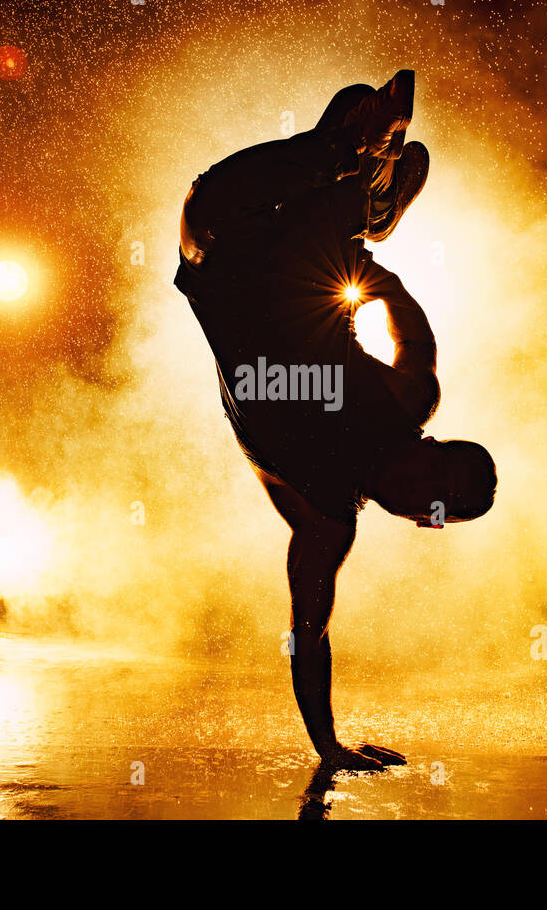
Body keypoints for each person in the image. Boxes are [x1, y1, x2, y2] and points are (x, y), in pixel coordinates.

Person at [175, 70, 496, 771]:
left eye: (428, 493)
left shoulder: (325, 520)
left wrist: (327, 745)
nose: (416, 477)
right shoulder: (410, 402)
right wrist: (383, 283)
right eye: (432, 463)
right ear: (432, 442)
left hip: (217, 237)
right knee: (339, 172)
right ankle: (364, 174)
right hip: (283, 222)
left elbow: (308, 634)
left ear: (425, 520)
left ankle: (369, 185)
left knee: (337, 187)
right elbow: (419, 349)